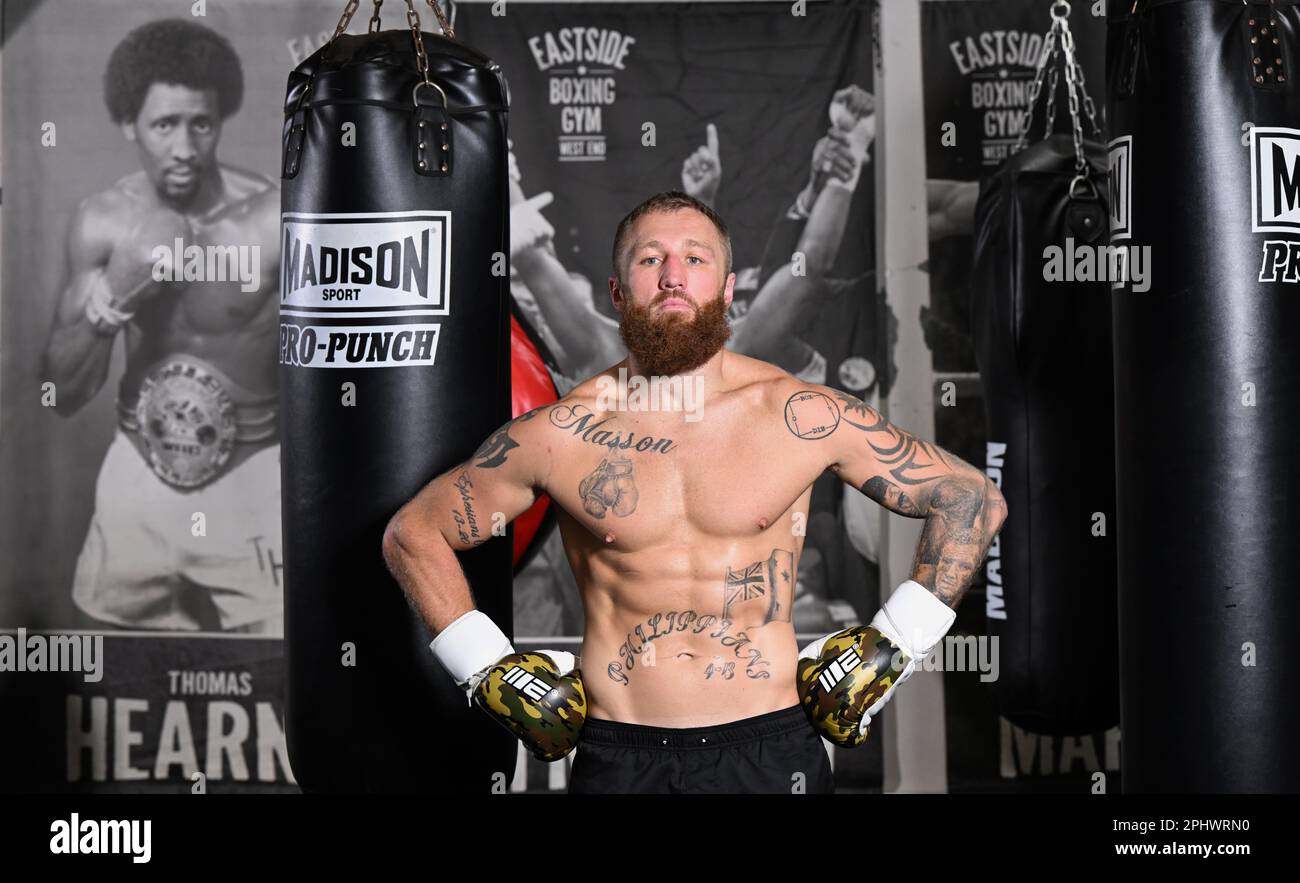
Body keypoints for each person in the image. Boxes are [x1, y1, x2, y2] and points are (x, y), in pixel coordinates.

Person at [383, 190, 1007, 794]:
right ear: (617, 290)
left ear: (728, 289)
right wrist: (488, 668)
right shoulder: (562, 433)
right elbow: (414, 533)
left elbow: (971, 498)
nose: (673, 276)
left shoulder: (796, 414)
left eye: (696, 258)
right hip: (619, 755)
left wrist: (894, 645)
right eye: (650, 259)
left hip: (771, 750)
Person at [42, 19, 282, 634]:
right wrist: (114, 296)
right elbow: (62, 392)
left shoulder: (274, 221)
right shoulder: (101, 222)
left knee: (281, 681)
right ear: (129, 125)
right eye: (163, 126)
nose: (183, 148)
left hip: (252, 482)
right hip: (138, 479)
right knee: (114, 683)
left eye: (199, 124)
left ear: (220, 121)